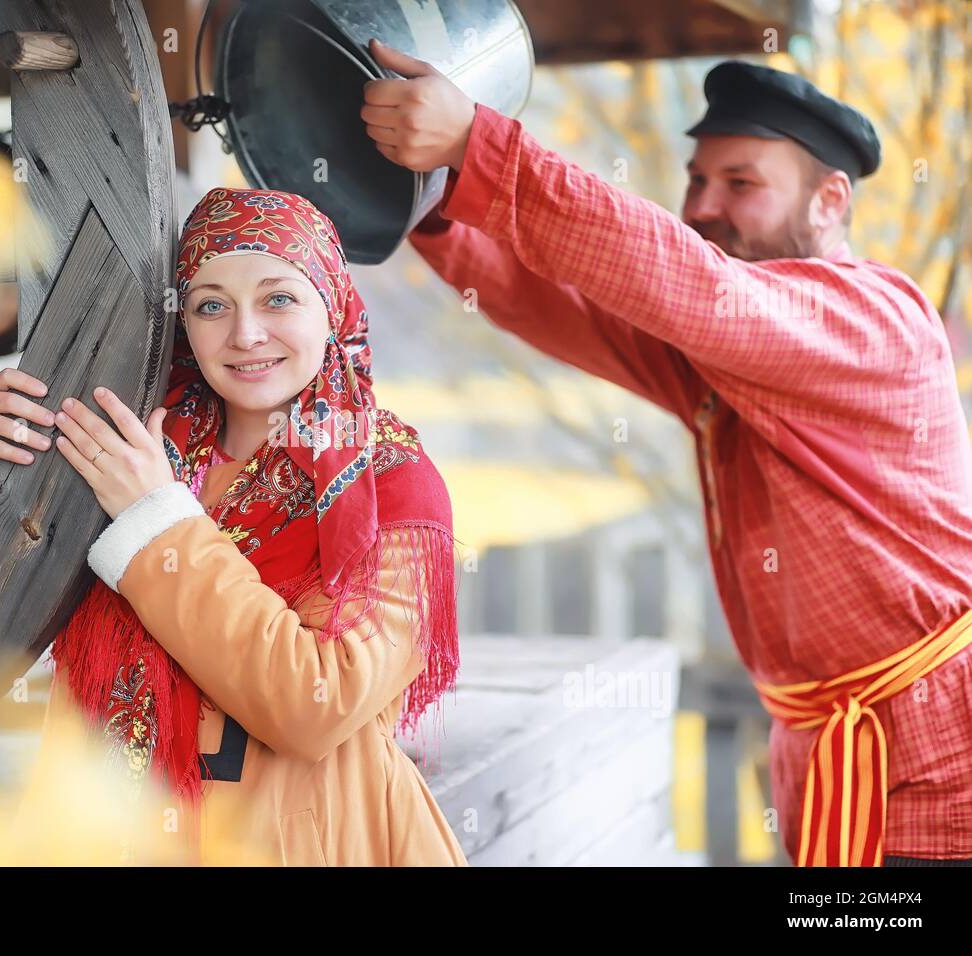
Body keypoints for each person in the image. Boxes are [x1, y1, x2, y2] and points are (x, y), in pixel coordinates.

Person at [363, 43, 972, 867]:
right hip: (826, 754)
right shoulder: (731, 357)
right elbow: (557, 302)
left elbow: (694, 284)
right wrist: (435, 199)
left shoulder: (878, 319)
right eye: (696, 179)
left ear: (832, 202)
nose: (705, 205)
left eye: (741, 183)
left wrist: (482, 144)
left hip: (941, 762)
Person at [0, 187, 466, 866]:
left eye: (280, 298)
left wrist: (155, 524)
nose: (246, 334)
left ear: (334, 304)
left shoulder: (391, 483)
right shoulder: (128, 442)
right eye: (211, 305)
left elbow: (316, 703)